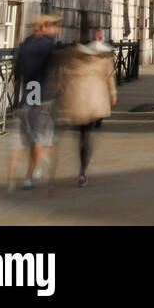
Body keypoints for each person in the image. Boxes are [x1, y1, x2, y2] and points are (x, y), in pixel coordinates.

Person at [55, 26, 117, 187]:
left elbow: (63, 78)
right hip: (93, 101)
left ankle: (83, 169)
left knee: (83, 135)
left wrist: (61, 93)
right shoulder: (104, 57)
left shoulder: (73, 56)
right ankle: (83, 169)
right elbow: (109, 77)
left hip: (78, 101)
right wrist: (112, 94)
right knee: (86, 135)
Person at [8, 13, 61, 192]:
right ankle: (30, 175)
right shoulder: (49, 46)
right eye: (54, 25)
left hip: (30, 91)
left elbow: (17, 73)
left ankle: (14, 172)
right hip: (45, 94)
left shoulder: (25, 45)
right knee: (41, 138)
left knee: (27, 136)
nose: (57, 28)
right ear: (44, 27)